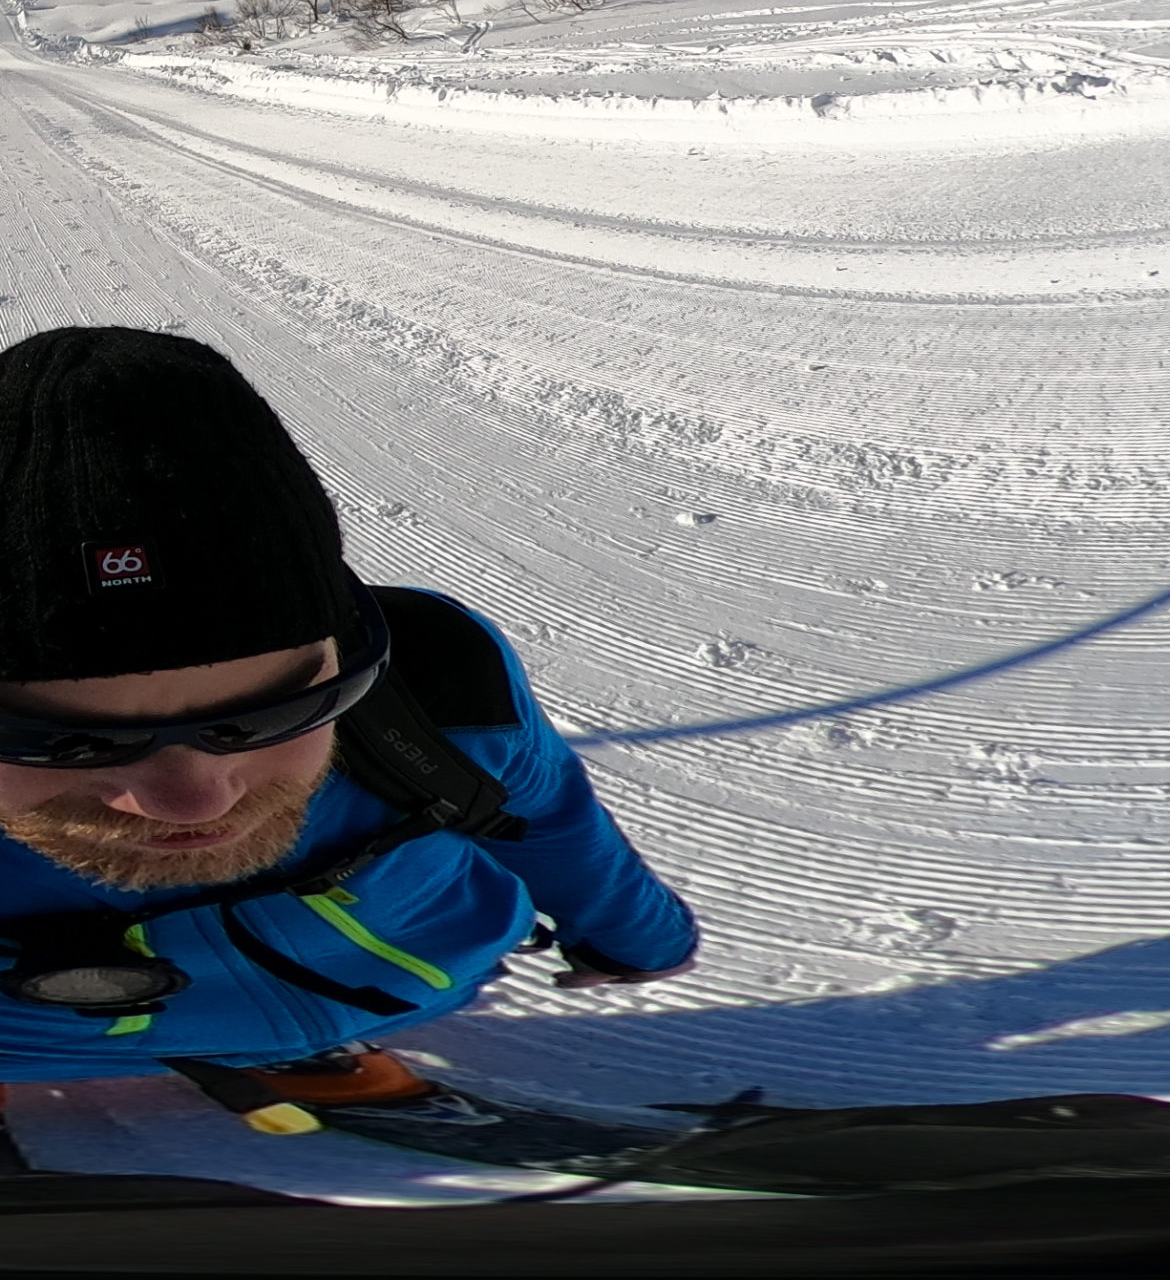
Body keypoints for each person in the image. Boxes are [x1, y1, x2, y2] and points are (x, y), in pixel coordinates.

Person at [0, 326, 696, 1113]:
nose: (197, 802)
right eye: (63, 742)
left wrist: (639, 936)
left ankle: (286, 1039)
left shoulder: (436, 678)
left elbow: (546, 816)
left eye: (272, 716)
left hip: (408, 985)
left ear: (348, 658)